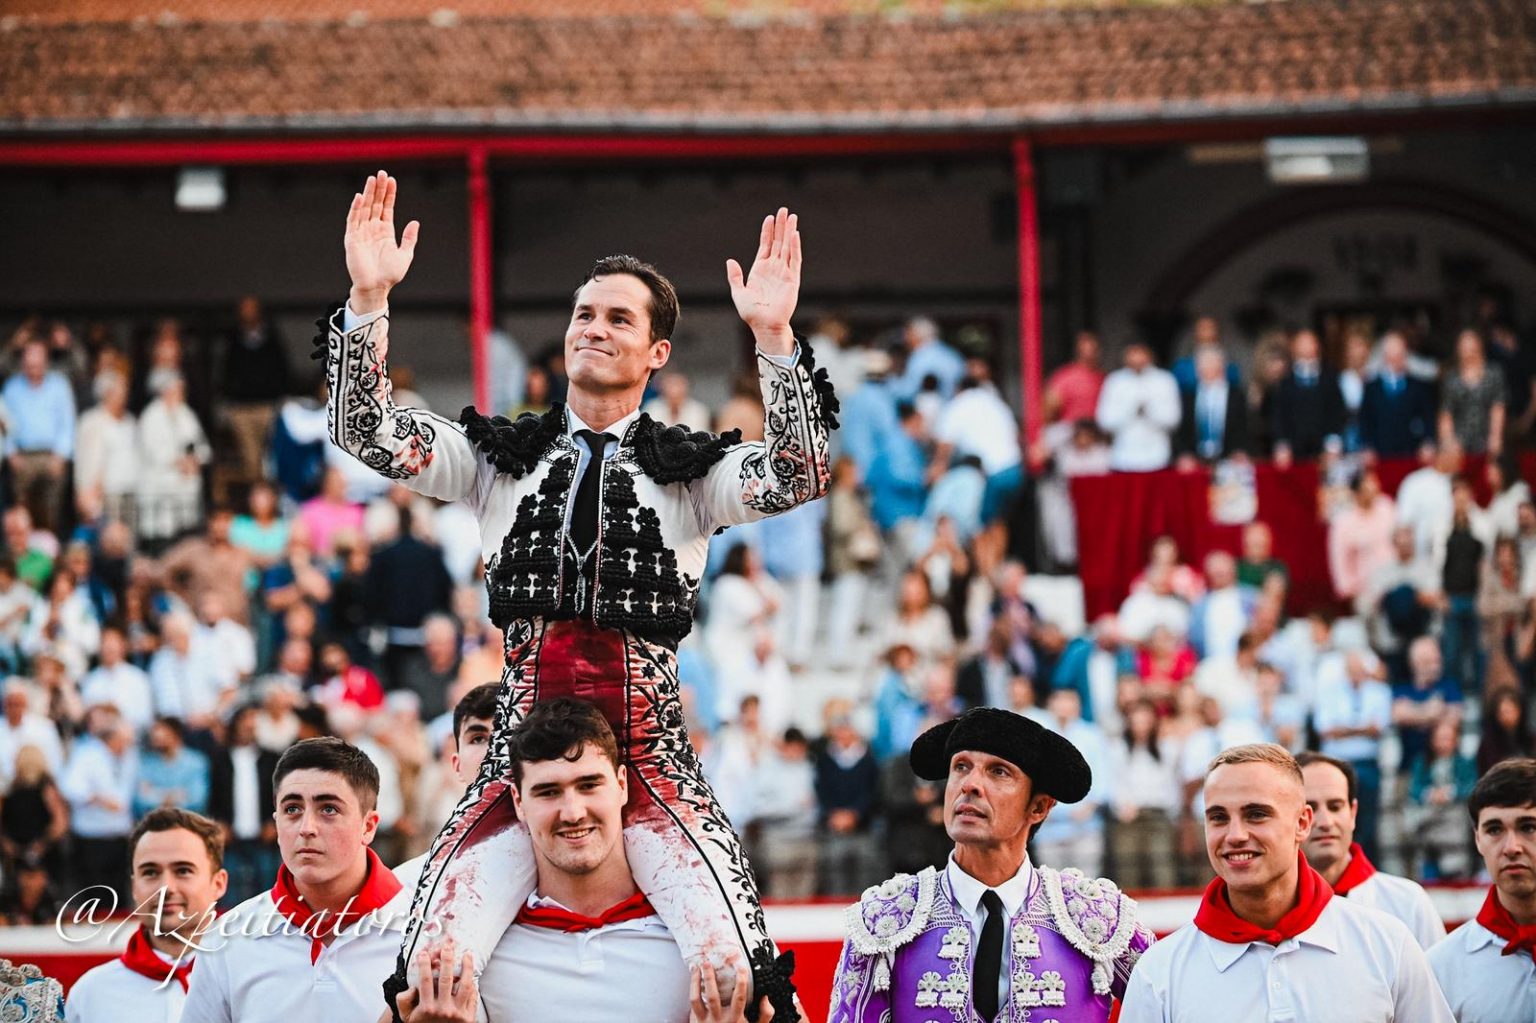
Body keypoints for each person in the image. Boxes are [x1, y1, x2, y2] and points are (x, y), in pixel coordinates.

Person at [328, 172, 832, 1017]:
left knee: (738, 976)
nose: (594, 328)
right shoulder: (497, 458)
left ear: (657, 352)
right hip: (514, 767)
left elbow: (801, 469)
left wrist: (776, 339)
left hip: (652, 767)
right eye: (583, 314)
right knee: (430, 973)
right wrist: (369, 296)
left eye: (619, 318)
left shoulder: (692, 476)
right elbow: (363, 430)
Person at [388, 697, 781, 1023]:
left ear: (622, 785)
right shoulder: (466, 951)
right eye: (548, 792)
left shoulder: (713, 940)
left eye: (589, 785)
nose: (573, 811)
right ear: (518, 803)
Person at [828, 707, 1153, 1023]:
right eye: (961, 766)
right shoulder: (885, 918)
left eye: (999, 771)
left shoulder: (1096, 916)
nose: (970, 784)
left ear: (1038, 807)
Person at [1119, 743, 1453, 1022]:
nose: (1235, 835)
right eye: (1219, 817)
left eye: (1256, 814)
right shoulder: (1159, 972)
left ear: (1302, 823)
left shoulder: (1386, 944)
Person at [181, 737, 408, 1023]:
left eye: (328, 809)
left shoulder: (424, 932)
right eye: (292, 809)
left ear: (369, 826)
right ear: (276, 823)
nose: (307, 828)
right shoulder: (226, 938)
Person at [66, 808, 230, 1023]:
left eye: (183, 870)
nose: (166, 888)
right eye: (150, 872)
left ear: (218, 884)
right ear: (134, 887)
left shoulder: (256, 980)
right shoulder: (91, 994)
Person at [1297, 752, 1445, 948]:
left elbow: (1436, 979)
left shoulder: (1408, 902)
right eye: (1310, 809)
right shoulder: (1266, 910)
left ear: (1353, 813)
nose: (1325, 822)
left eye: (1335, 806)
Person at [1426, 757, 1536, 1021]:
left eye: (1528, 827)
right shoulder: (1441, 966)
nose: (1511, 847)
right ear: (1478, 839)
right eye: (1494, 829)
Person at [1095, 341, 1180, 472]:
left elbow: (1173, 419)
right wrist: (1131, 409)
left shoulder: (1164, 380)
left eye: (1140, 353)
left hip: (1157, 456)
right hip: (1123, 456)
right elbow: (1104, 421)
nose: (1137, 358)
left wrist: (1149, 410)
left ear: (1149, 355)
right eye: (1132, 354)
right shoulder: (1114, 381)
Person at [1269, 328, 1346, 467]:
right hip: (1294, 451)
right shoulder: (1285, 383)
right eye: (1302, 344)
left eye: (1310, 343)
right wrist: (1282, 445)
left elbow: (1336, 412)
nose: (1306, 349)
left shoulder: (1330, 379)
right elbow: (1279, 416)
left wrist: (1333, 444)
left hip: (1323, 451)